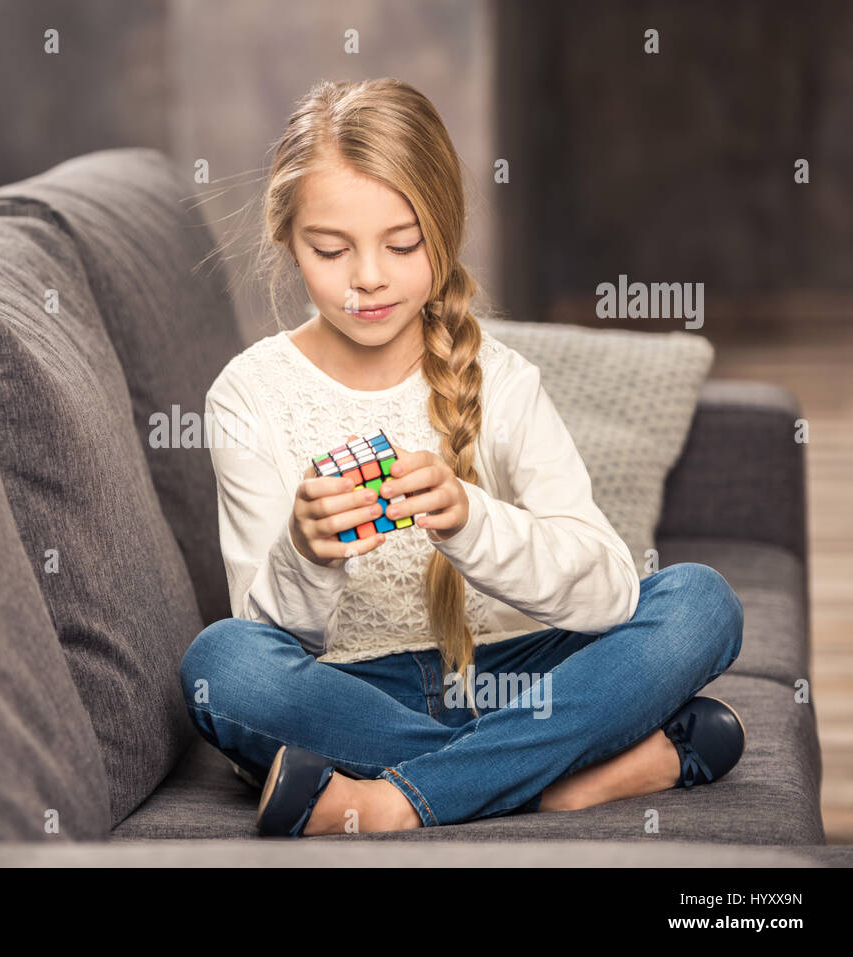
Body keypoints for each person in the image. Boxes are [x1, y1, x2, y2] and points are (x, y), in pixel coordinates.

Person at [179, 77, 746, 838]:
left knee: (699, 602)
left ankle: (391, 798)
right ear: (287, 239)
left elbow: (609, 589)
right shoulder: (248, 394)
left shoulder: (503, 381)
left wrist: (473, 522)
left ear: (443, 235)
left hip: (520, 674)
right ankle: (558, 777)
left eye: (403, 244)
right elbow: (265, 635)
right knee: (225, 664)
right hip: (354, 693)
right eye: (331, 248)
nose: (369, 276)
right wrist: (307, 552)